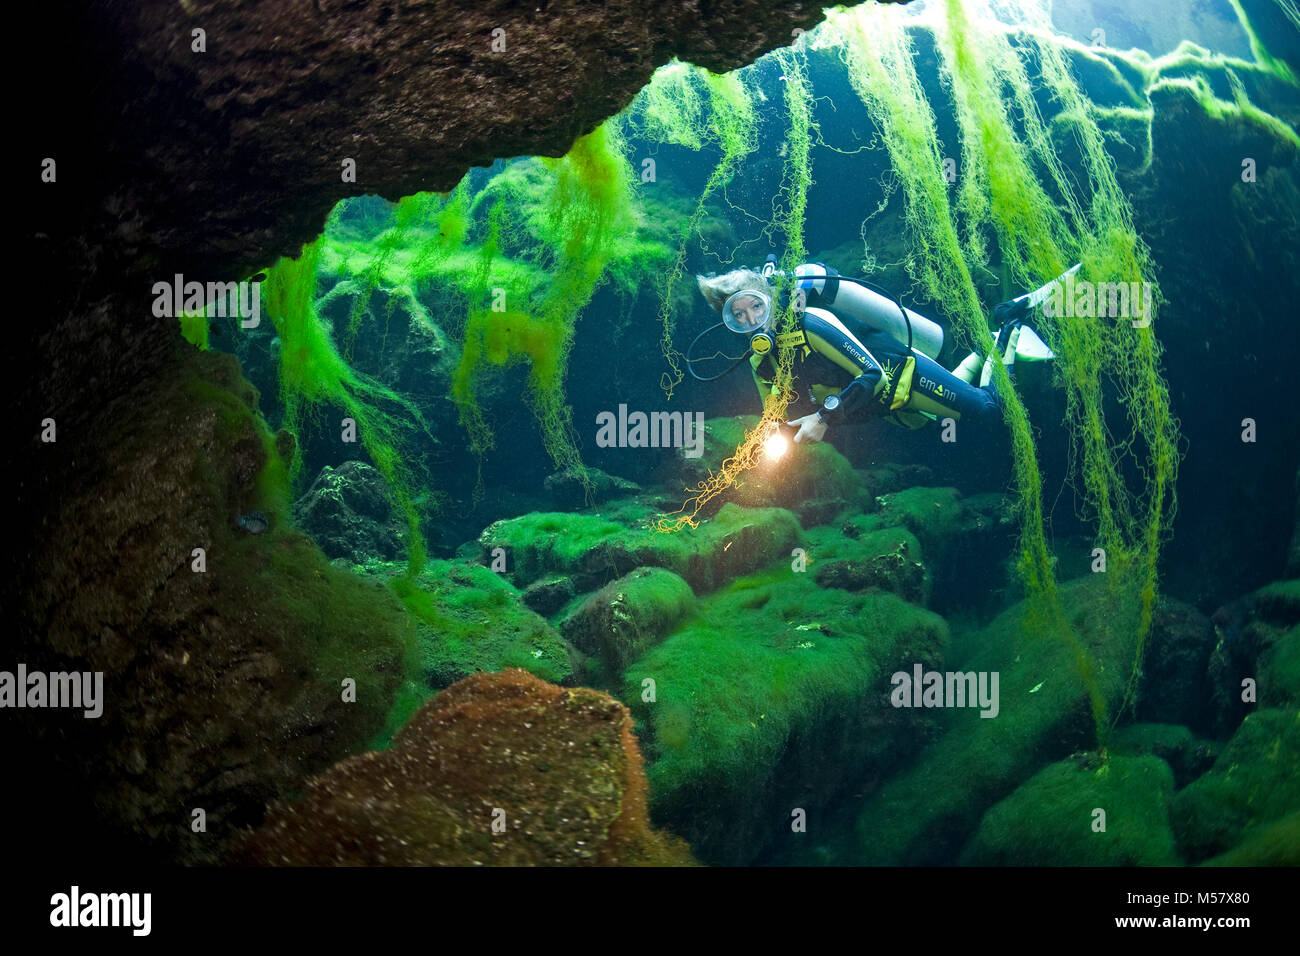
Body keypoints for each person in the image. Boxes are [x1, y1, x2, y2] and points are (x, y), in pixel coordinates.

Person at [694, 261, 1065, 444]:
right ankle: (982, 354)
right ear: (727, 321)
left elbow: (872, 374)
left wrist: (822, 418)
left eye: (756, 307)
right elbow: (774, 415)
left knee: (988, 411)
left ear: (770, 300)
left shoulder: (809, 324)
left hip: (898, 374)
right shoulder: (761, 361)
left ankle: (1008, 324)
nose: (751, 320)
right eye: (738, 315)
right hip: (884, 406)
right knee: (934, 420)